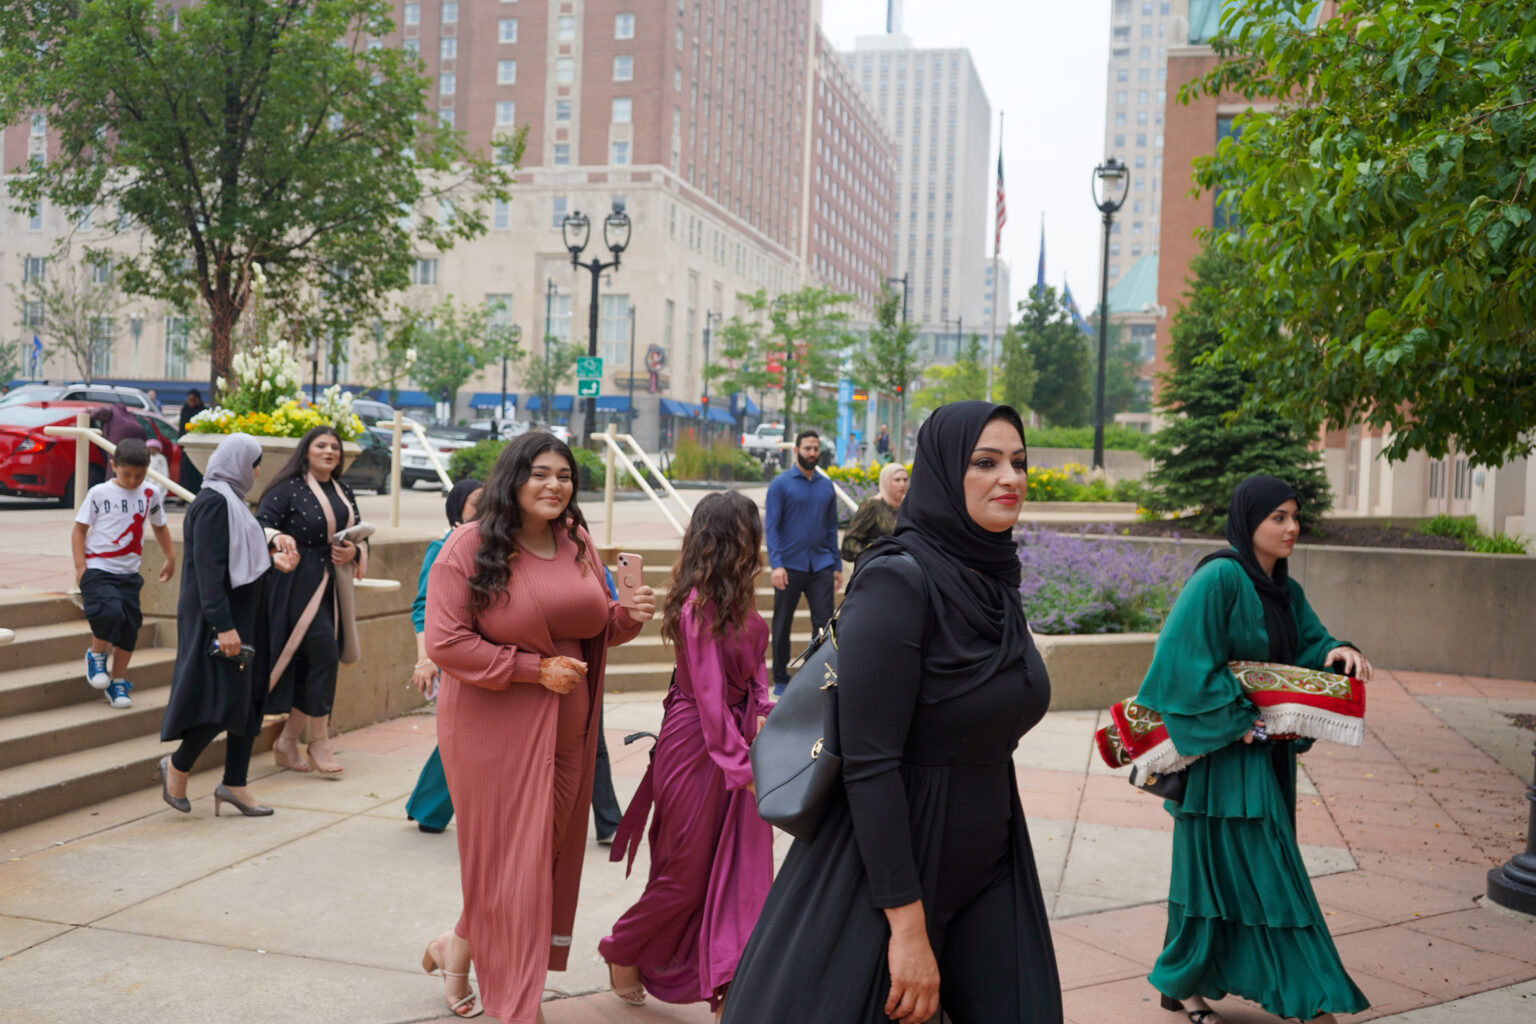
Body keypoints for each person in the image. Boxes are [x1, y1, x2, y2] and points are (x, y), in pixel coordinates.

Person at [723, 401, 1062, 1024]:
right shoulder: (897, 581)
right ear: (944, 471)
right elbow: (870, 763)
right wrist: (907, 929)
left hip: (991, 854)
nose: (1009, 478)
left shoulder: (995, 577)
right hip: (894, 863)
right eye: (985, 462)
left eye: (1018, 462)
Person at [422, 431, 655, 1022]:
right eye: (541, 474)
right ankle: (517, 1006)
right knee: (513, 866)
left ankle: (456, 946)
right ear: (513, 478)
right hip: (493, 729)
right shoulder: (468, 546)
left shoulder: (575, 539)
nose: (555, 485)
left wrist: (627, 616)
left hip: (570, 732)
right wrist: (532, 669)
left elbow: (591, 627)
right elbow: (446, 642)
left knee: (533, 863)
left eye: (565, 475)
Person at [1135, 475, 1373, 1024]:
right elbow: (1179, 659)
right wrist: (1236, 718)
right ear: (1249, 522)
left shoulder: (1286, 590)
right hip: (1221, 761)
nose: (1292, 528)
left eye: (1295, 516)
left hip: (1266, 758)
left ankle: (1182, 982)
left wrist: (1338, 650)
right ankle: (1311, 1001)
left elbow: (1311, 643)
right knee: (1255, 876)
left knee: (1234, 878)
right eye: (1278, 518)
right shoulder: (1218, 578)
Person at [600, 491, 775, 1018]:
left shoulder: (738, 600)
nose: (755, 542)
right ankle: (621, 949)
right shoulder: (698, 605)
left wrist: (767, 711)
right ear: (724, 539)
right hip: (695, 743)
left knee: (730, 873)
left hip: (735, 742)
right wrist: (742, 767)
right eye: (746, 532)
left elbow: (756, 675)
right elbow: (707, 695)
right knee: (685, 874)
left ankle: (724, 979)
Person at [157, 434, 298, 815]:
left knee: (248, 702)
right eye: (255, 464)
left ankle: (235, 783)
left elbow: (241, 559)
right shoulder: (213, 503)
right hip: (219, 621)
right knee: (224, 700)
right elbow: (209, 570)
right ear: (239, 465)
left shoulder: (233, 502)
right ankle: (177, 765)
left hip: (244, 616)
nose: (257, 472)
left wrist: (271, 560)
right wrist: (223, 626)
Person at [258, 425, 367, 777]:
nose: (329, 451)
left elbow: (359, 533)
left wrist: (353, 552)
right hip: (296, 586)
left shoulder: (344, 490)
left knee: (314, 662)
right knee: (324, 654)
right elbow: (261, 525)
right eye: (321, 445)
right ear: (306, 450)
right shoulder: (287, 488)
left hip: (333, 588)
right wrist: (279, 541)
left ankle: (288, 740)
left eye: (335, 447)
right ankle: (319, 740)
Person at [72, 438, 176, 710]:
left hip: (129, 573)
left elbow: (160, 526)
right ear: (113, 465)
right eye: (126, 474)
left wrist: (170, 556)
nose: (132, 481)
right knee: (110, 612)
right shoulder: (99, 493)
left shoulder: (150, 494)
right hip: (98, 568)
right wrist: (81, 567)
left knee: (130, 629)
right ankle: (96, 656)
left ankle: (117, 681)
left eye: (139, 475)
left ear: (147, 469)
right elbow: (79, 530)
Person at [405, 477, 484, 834]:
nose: (485, 510)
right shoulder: (442, 548)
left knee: (468, 738)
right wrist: (426, 660)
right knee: (462, 738)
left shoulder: (498, 547)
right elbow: (424, 606)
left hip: (487, 652)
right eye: (477, 504)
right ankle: (429, 809)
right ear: (457, 511)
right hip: (455, 656)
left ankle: (426, 807)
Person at [764, 428, 840, 696]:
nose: (812, 453)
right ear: (796, 450)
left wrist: (836, 566)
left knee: (824, 626)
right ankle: (780, 678)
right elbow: (771, 527)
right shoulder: (780, 485)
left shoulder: (826, 486)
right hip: (789, 566)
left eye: (815, 449)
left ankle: (816, 676)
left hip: (821, 565)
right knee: (782, 623)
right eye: (807, 448)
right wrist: (776, 564)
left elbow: (831, 529)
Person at [840, 461, 910, 563]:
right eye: (897, 480)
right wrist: (874, 555)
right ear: (886, 481)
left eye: (905, 480)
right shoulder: (873, 506)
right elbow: (849, 543)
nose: (902, 484)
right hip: (878, 567)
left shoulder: (909, 507)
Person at [178, 390, 205, 493]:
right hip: (186, 447)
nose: (192, 403)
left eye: (194, 400)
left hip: (198, 446)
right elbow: (181, 428)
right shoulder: (185, 410)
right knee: (185, 472)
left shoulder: (202, 411)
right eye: (190, 400)